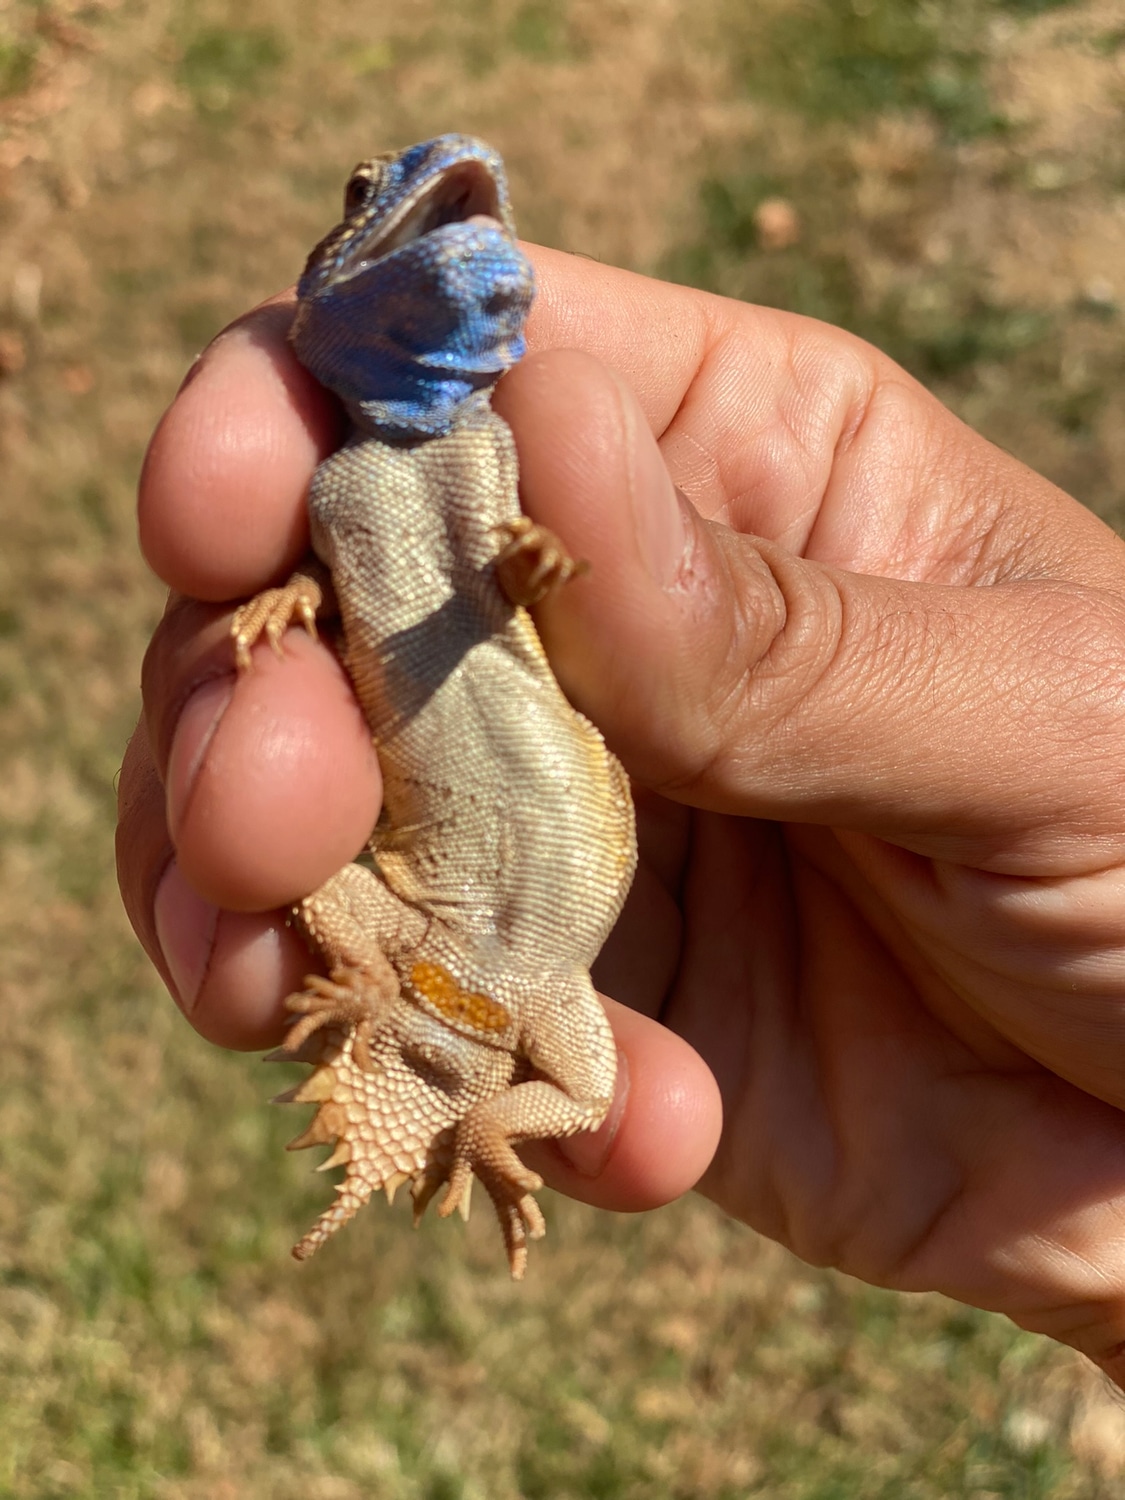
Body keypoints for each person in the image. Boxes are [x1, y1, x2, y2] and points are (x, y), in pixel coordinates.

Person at [117, 245, 1125, 1385]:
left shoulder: (481, 447)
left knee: (268, 842)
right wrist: (495, 1126)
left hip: (425, 948)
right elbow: (581, 1095)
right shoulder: (355, 481)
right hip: (492, 973)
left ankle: (392, 1021)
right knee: (285, 853)